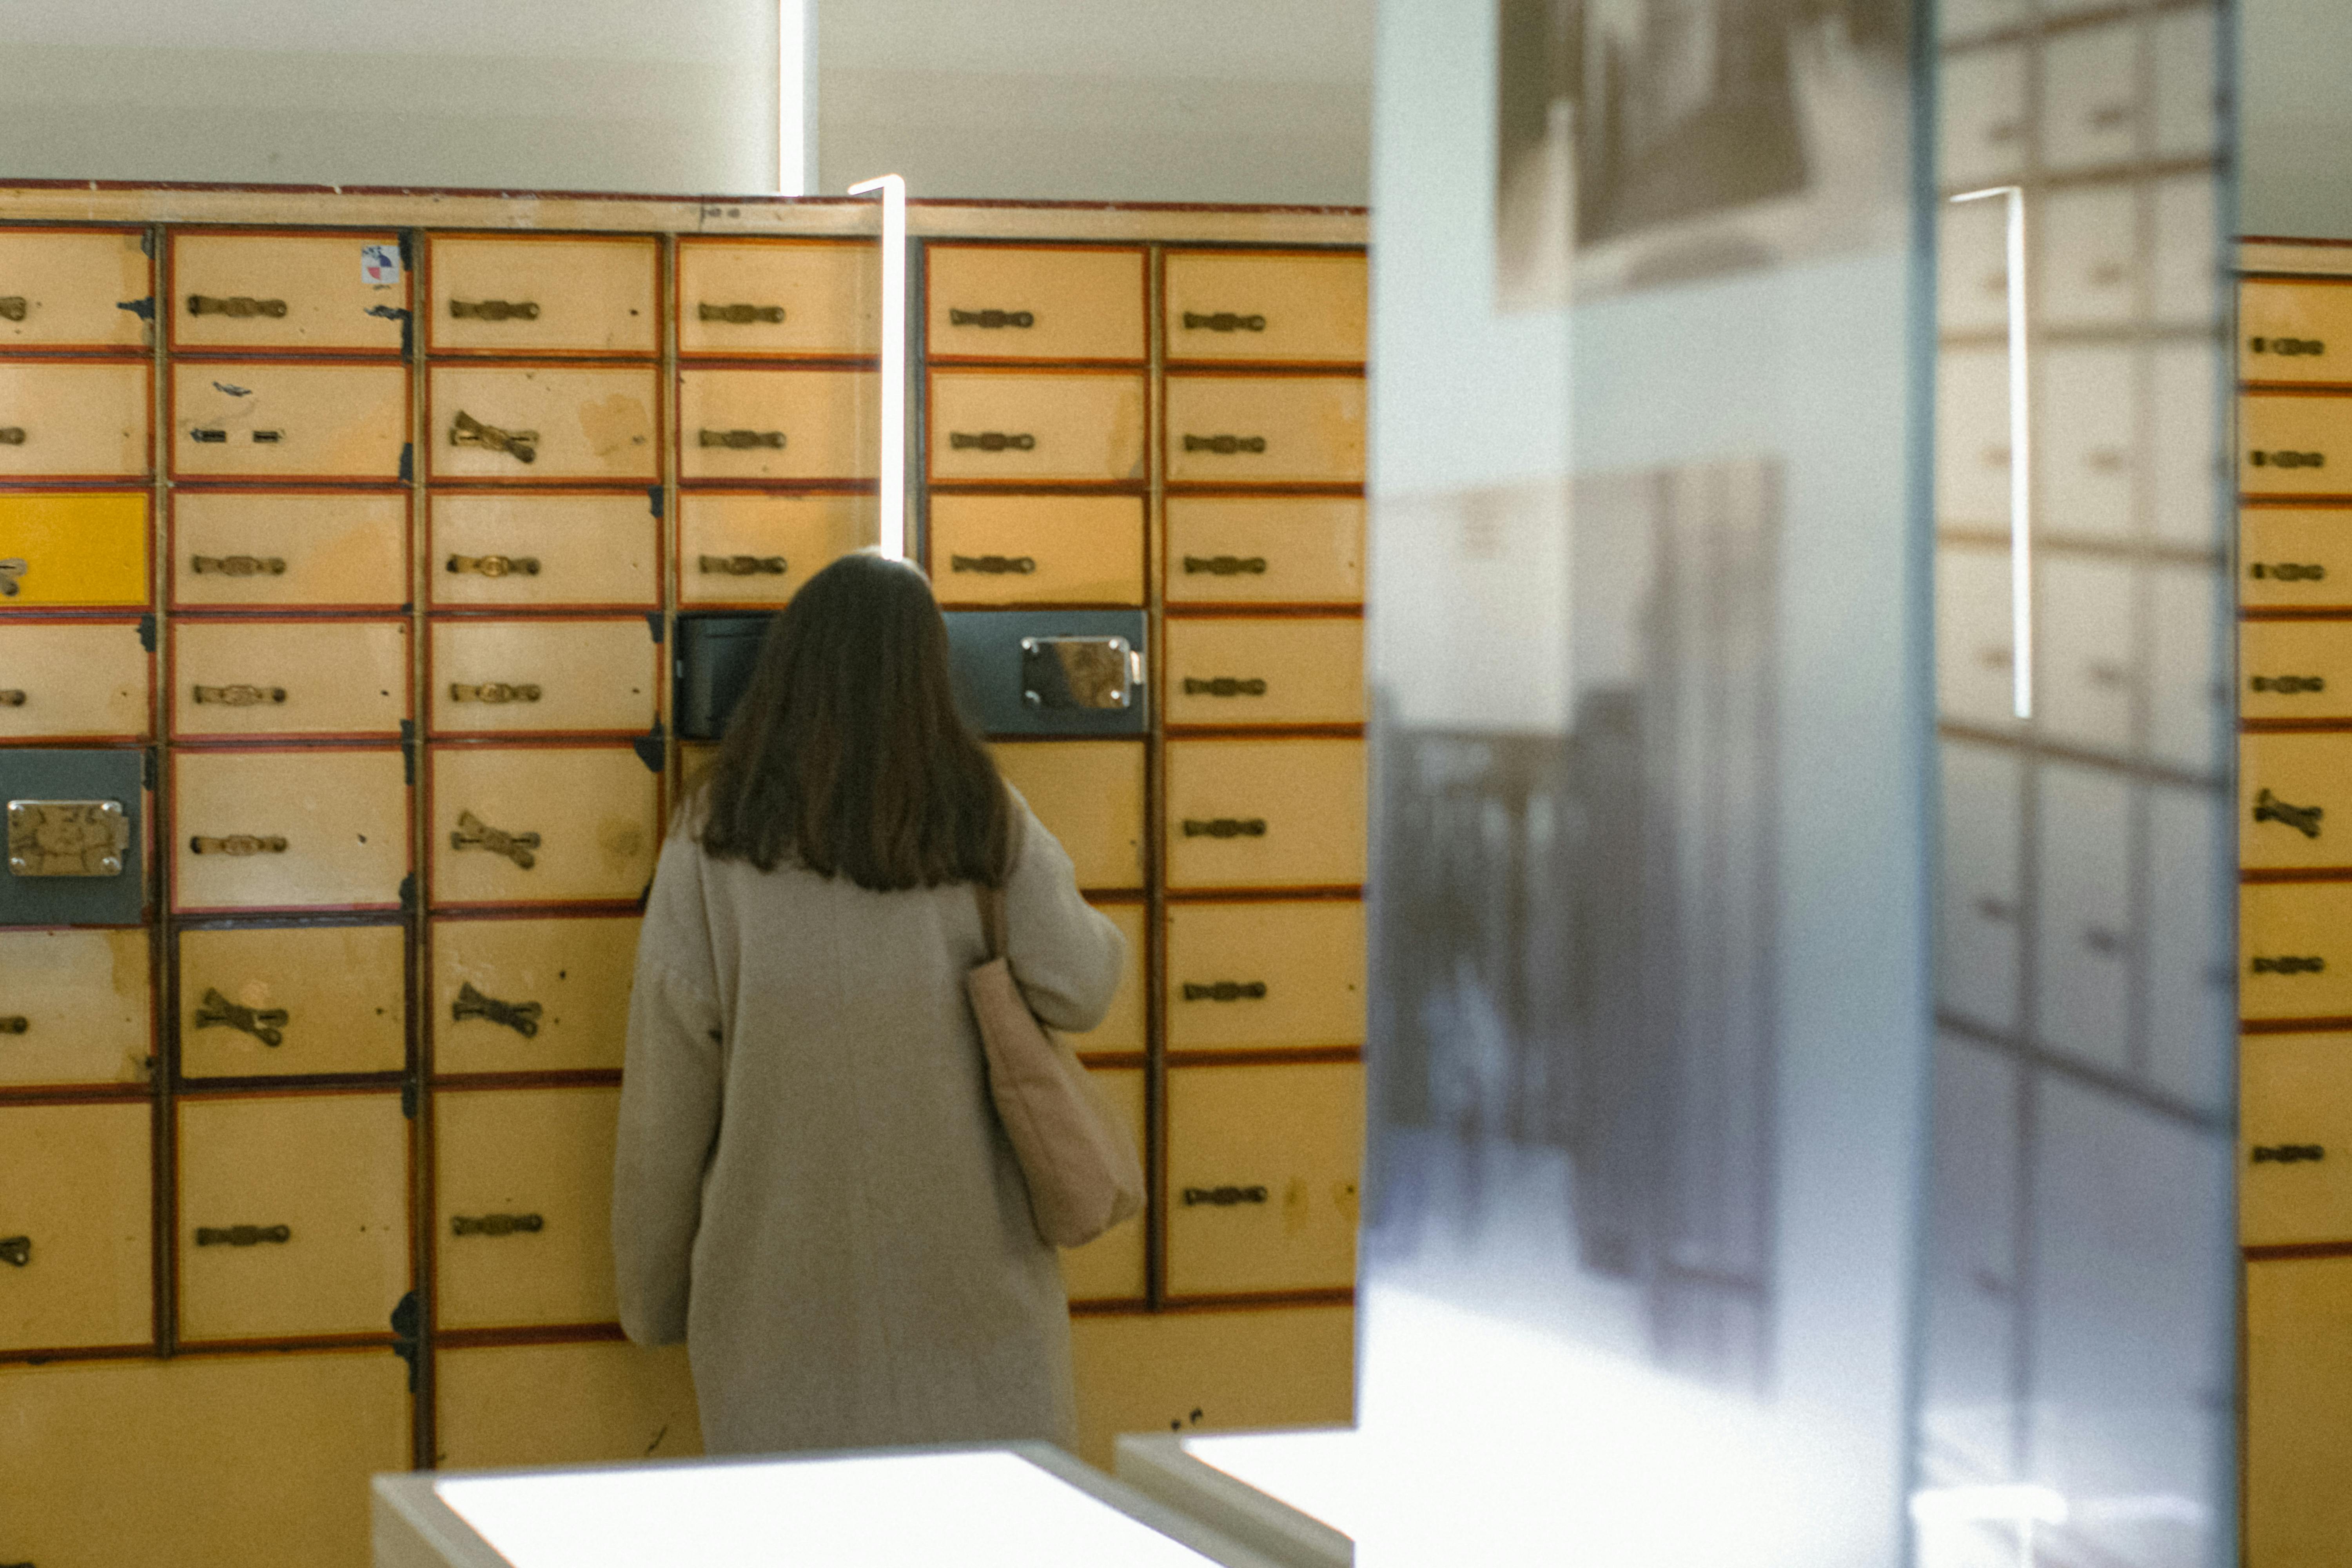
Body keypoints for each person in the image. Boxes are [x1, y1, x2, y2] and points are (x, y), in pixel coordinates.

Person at [612, 552, 1127, 1455]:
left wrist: (654, 1296)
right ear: (930, 675)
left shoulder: (714, 833)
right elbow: (1083, 987)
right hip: (974, 1286)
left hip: (776, 1291)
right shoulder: (979, 813)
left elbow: (668, 1097)